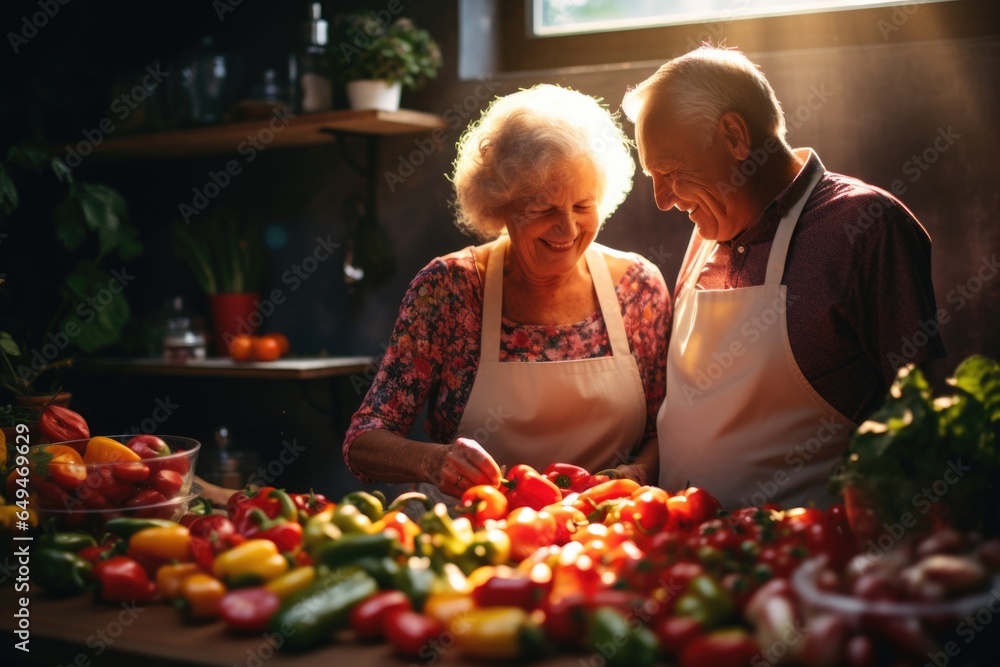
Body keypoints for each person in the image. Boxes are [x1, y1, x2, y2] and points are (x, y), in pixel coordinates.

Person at [622, 46, 946, 510]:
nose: (661, 200)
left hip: (805, 555)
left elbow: (923, 412)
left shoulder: (867, 227)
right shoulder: (710, 224)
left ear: (734, 136)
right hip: (685, 548)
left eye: (670, 171)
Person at [343, 84, 671, 502]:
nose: (568, 230)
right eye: (545, 209)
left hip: (602, 537)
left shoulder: (638, 288)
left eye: (583, 206)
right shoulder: (448, 288)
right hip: (472, 538)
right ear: (501, 205)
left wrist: (636, 474)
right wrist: (433, 462)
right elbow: (364, 440)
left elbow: (665, 429)